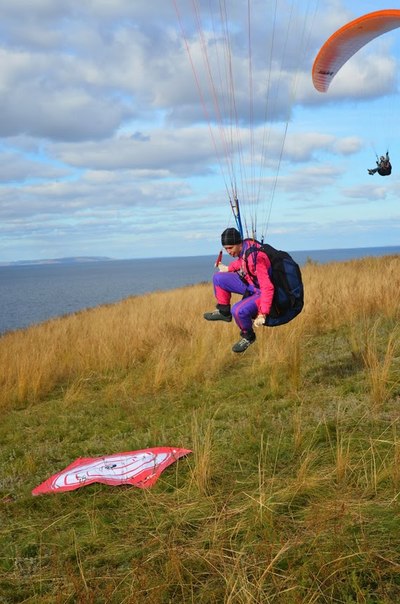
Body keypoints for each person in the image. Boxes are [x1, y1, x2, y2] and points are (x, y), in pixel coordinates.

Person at [204, 227, 274, 353]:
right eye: (226, 249)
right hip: (249, 283)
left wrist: (263, 313)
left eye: (230, 248)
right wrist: (228, 268)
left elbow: (267, 287)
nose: (228, 252)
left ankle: (248, 336)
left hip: (260, 291)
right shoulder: (245, 247)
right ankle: (224, 312)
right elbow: (242, 262)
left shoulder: (257, 258)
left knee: (237, 310)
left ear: (239, 243)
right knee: (218, 278)